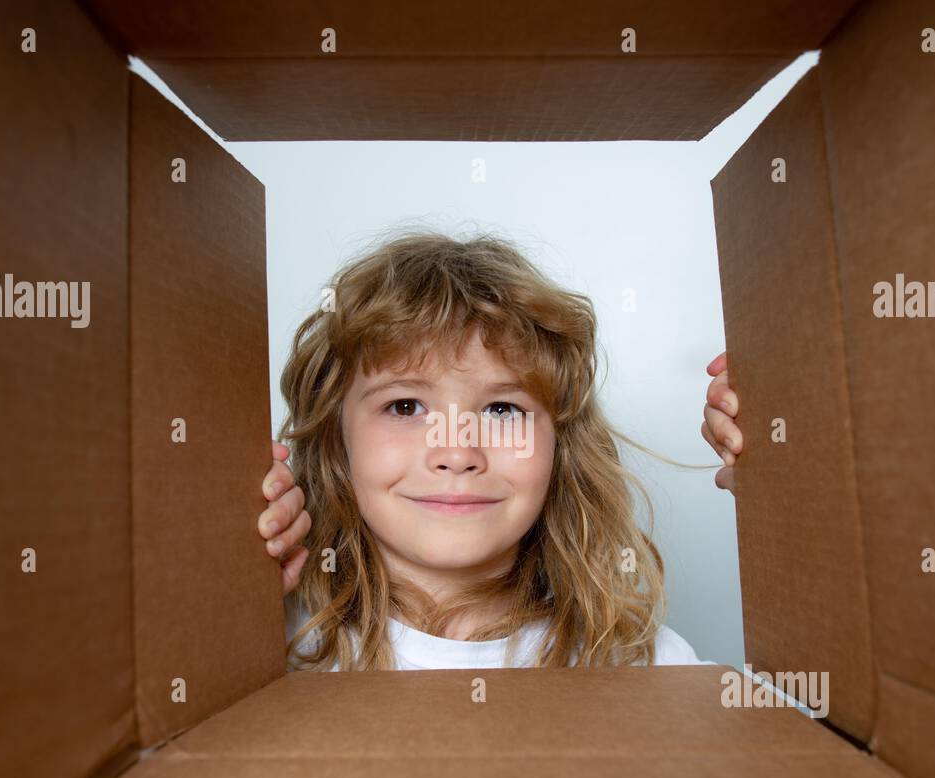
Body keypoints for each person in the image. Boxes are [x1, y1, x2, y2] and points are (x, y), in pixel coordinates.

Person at [256, 231, 742, 671]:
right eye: (405, 406)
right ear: (335, 443)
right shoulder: (269, 649)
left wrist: (789, 479)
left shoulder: (644, 665)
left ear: (560, 447)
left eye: (503, 410)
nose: (457, 453)